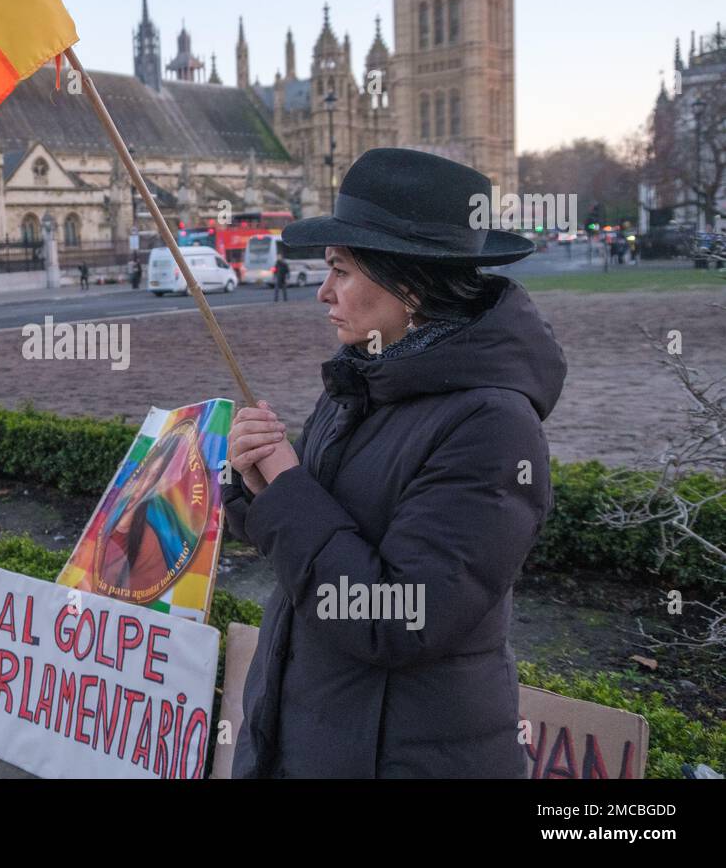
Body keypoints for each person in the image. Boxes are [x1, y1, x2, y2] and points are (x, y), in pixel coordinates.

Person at [223, 148, 567, 778]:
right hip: (311, 734)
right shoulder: (363, 376)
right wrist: (255, 486)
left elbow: (394, 619)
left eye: (342, 271)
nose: (322, 292)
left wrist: (287, 484)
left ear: (409, 284)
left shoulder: (491, 426)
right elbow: (312, 530)